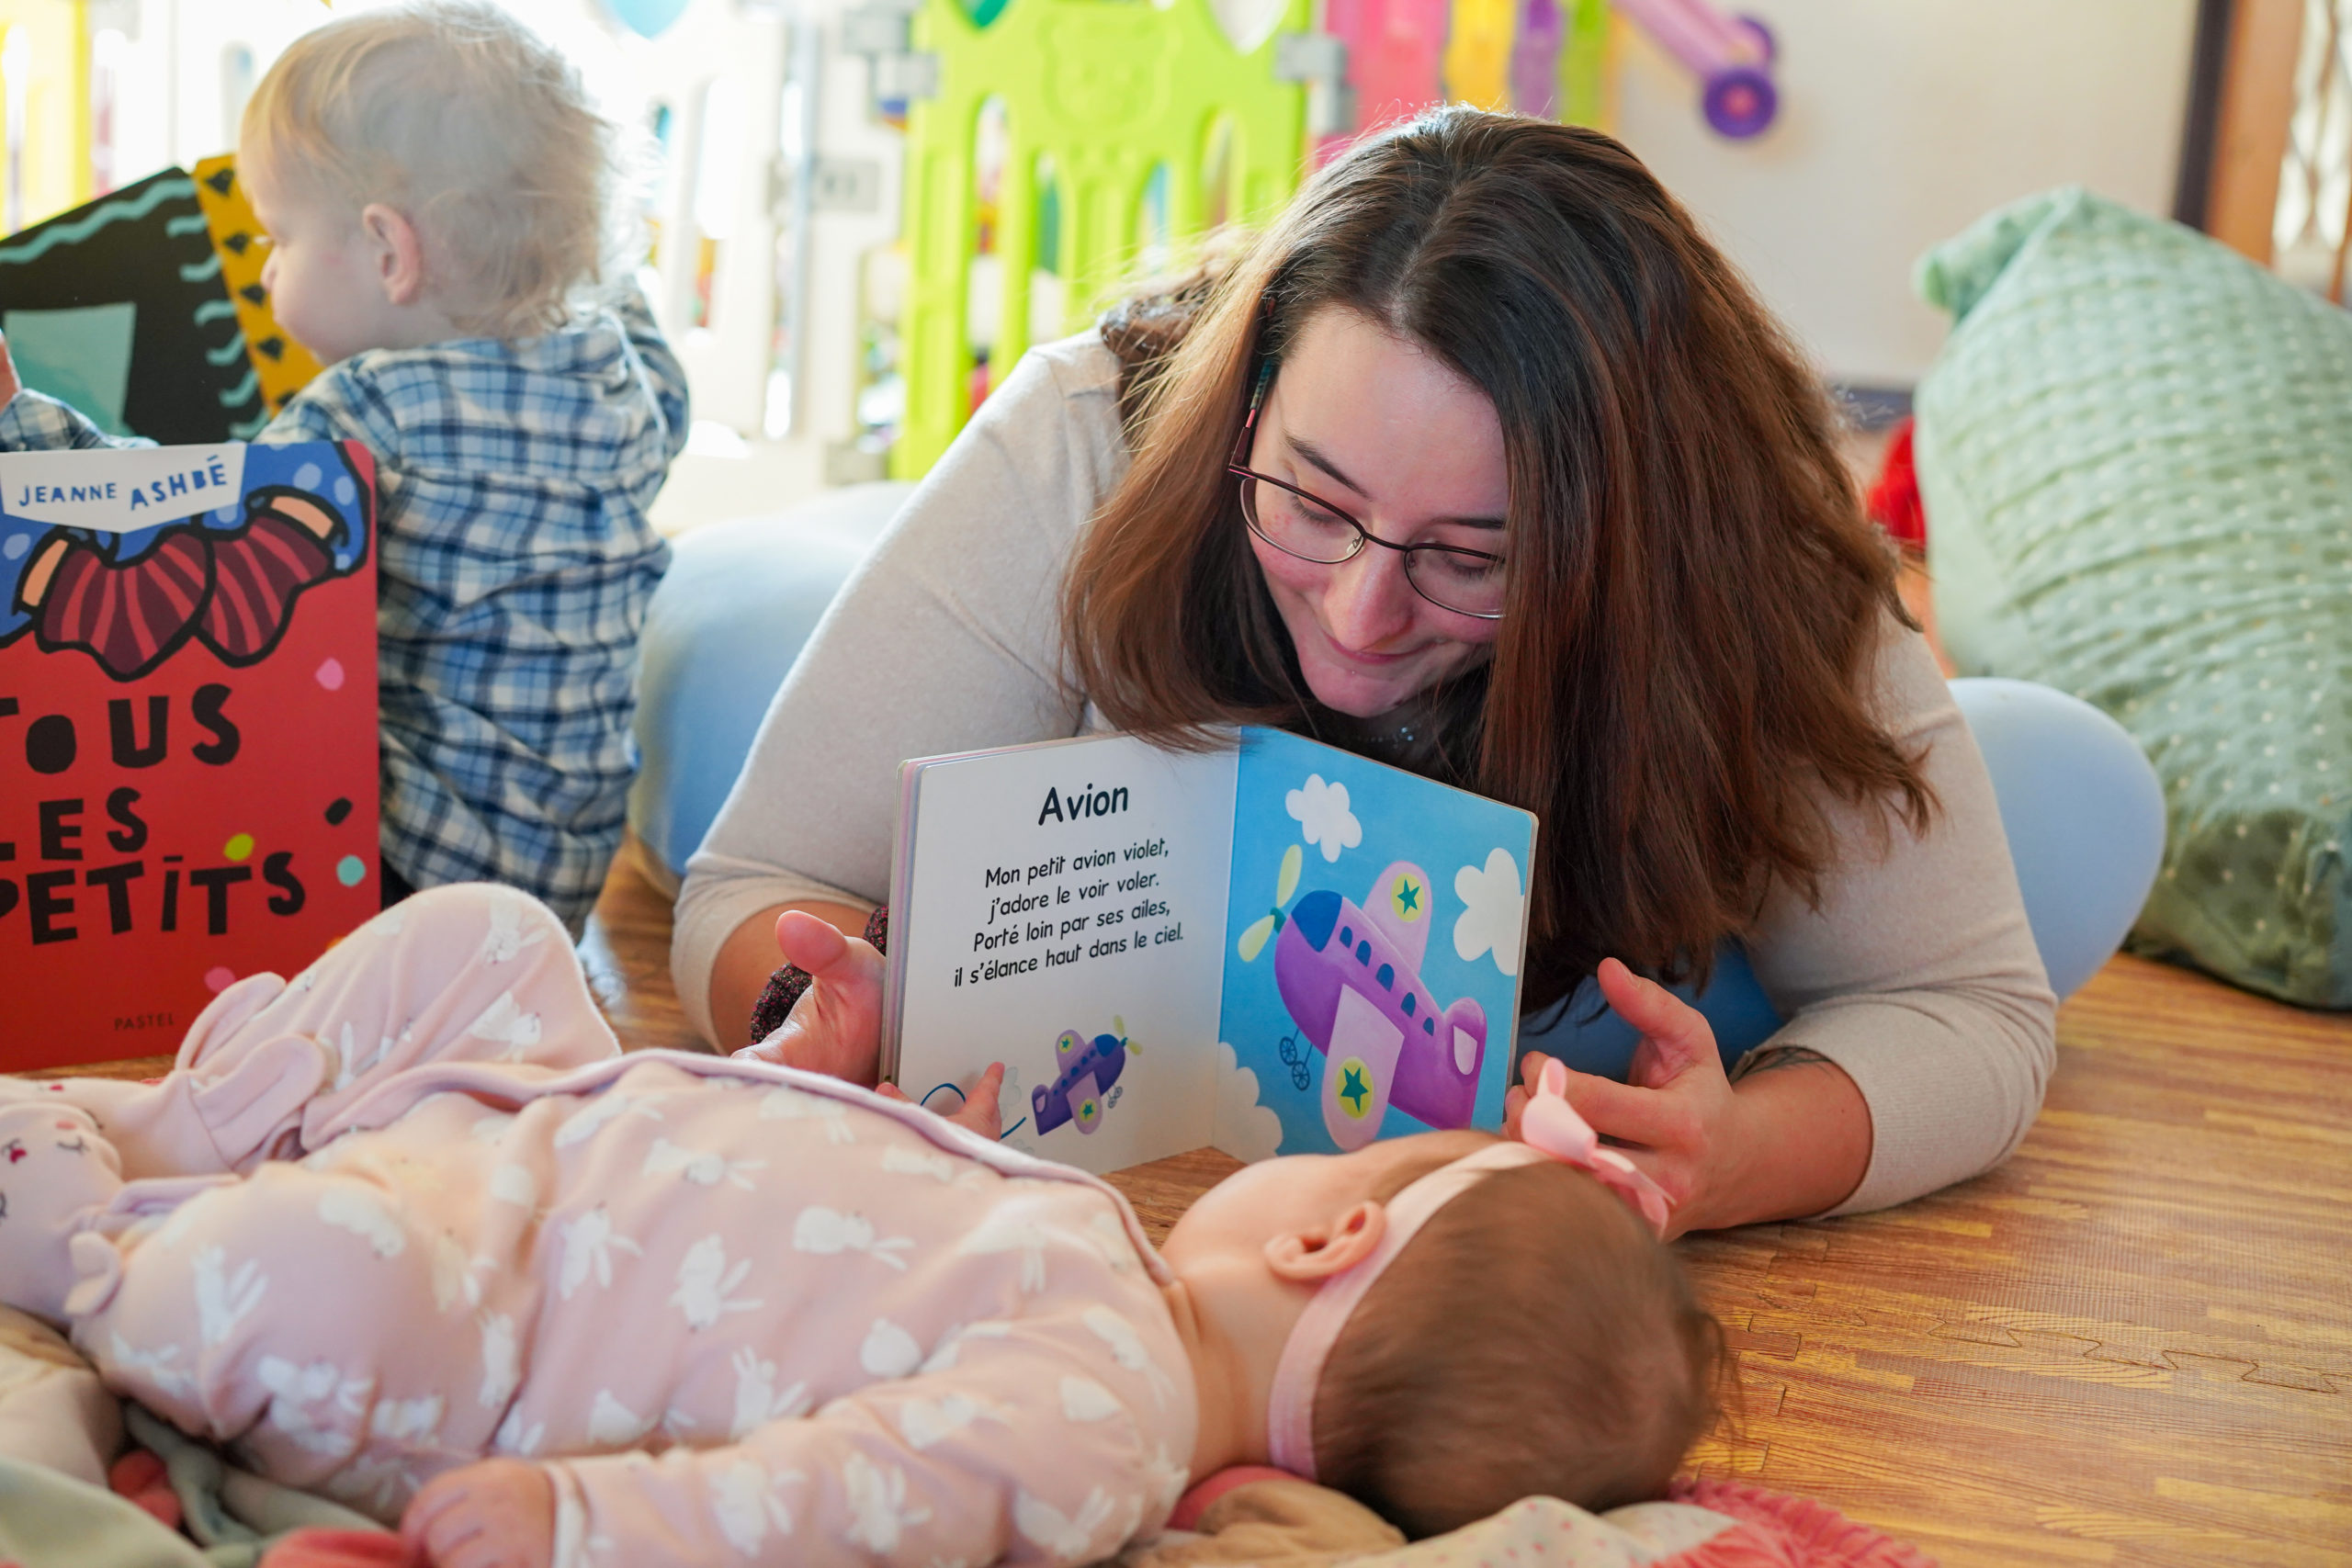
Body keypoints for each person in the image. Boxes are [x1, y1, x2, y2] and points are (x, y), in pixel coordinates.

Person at [675, 107, 2056, 1235]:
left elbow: (1976, 1010)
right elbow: (753, 881)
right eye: (1311, 499)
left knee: (2074, 794)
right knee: (723, 684)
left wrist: (1731, 1156)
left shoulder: (1753, 564)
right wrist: (830, 1030)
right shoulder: (1088, 437)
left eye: (1471, 555)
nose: (1358, 614)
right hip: (907, 608)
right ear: (1247, 407)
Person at [2, 884, 1720, 1567]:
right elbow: (795, 1215)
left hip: (483, 1307)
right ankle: (177, 1137)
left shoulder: (1101, 1424)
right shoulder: (1106, 1266)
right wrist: (803, 1080)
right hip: (557, 1142)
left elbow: (825, 1503)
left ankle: (99, 1240)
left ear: (1324, 1238)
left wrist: (585, 1523)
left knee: (305, 1283)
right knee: (499, 936)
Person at [0, 1, 687, 933]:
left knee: (224, 683)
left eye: (275, 239)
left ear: (388, 251)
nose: (264, 271)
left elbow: (165, 525)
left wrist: (21, 422)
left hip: (409, 879)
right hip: (563, 879)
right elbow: (638, 334)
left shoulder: (372, 411)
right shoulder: (620, 380)